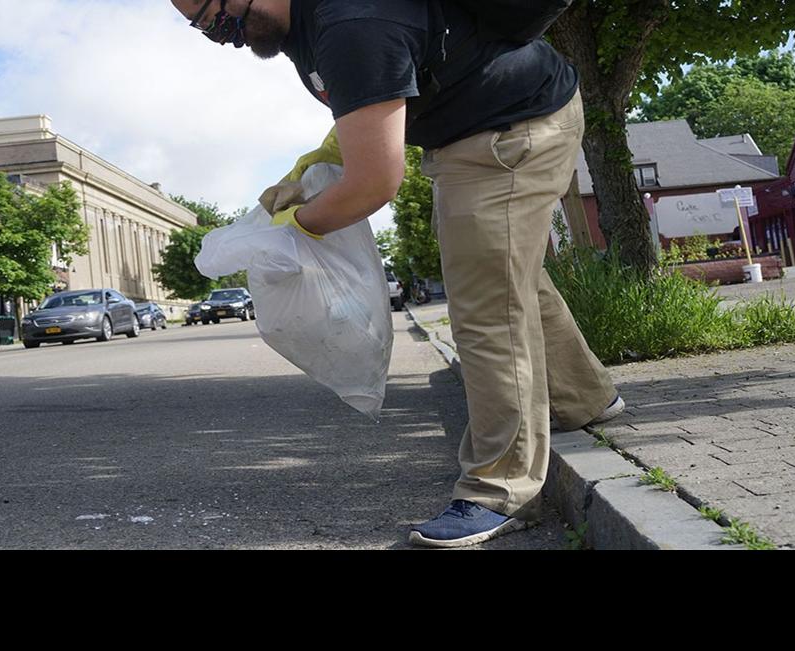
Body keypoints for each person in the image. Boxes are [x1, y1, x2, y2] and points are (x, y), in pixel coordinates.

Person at [170, 0, 624, 548]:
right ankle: (586, 399)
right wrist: (318, 162)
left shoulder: (349, 23)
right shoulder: (303, 28)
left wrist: (298, 227)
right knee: (499, 273)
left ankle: (498, 489)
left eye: (214, 16)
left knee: (485, 308)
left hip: (512, 131)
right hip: (471, 132)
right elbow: (373, 95)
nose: (217, 37)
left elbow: (374, 183)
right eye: (198, 27)